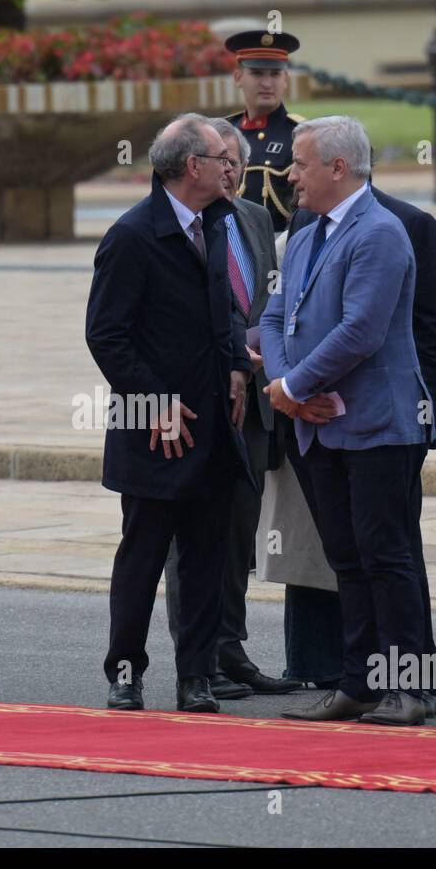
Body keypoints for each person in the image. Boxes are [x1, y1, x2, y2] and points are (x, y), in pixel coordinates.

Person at [262, 115, 432, 727]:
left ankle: (411, 686)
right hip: (315, 421)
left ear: (338, 168)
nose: (290, 175)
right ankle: (359, 683)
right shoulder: (306, 231)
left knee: (386, 555)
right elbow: (278, 314)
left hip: (377, 424)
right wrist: (286, 389)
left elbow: (360, 330)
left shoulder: (380, 232)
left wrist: (293, 384)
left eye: (300, 164)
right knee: (346, 557)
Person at [86, 113, 254, 714]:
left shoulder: (216, 221)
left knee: (206, 557)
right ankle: (125, 673)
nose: (230, 167)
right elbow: (107, 336)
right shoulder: (132, 236)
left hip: (211, 422)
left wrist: (237, 363)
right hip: (153, 430)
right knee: (144, 555)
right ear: (192, 167)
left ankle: (197, 676)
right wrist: (155, 401)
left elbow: (228, 312)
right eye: (220, 158)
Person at [160, 119, 297, 699]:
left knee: (240, 532)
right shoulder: (181, 227)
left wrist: (266, 351)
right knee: (191, 537)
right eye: (224, 161)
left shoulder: (257, 218)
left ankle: (230, 646)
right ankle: (198, 654)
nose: (234, 171)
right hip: (197, 402)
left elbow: (267, 298)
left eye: (238, 161)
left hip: (254, 398)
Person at [224, 30, 305, 232]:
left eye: (275, 74)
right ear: (238, 77)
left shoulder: (301, 135)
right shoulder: (223, 133)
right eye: (257, 73)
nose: (267, 83)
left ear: (285, 79)